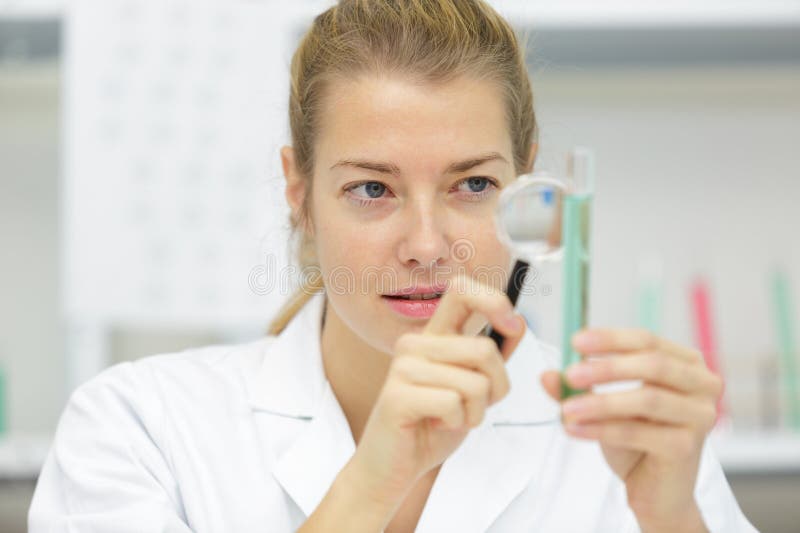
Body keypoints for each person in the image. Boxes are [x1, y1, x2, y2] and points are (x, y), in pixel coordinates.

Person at [29, 1, 757, 532]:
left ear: (529, 188)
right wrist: (372, 481)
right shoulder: (142, 428)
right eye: (371, 189)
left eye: (473, 185)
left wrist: (675, 521)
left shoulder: (628, 437)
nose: (427, 243)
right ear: (299, 194)